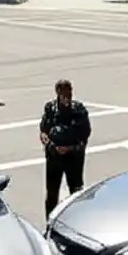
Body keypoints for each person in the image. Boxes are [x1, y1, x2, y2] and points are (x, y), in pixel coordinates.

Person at [39, 79, 91, 218]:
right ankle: (50, 222)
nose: (67, 95)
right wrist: (52, 146)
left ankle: (77, 220)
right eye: (63, 92)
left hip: (74, 158)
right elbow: (43, 131)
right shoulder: (50, 108)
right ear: (57, 92)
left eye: (69, 91)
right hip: (54, 157)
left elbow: (85, 134)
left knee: (76, 192)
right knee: (52, 193)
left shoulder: (79, 109)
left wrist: (70, 148)